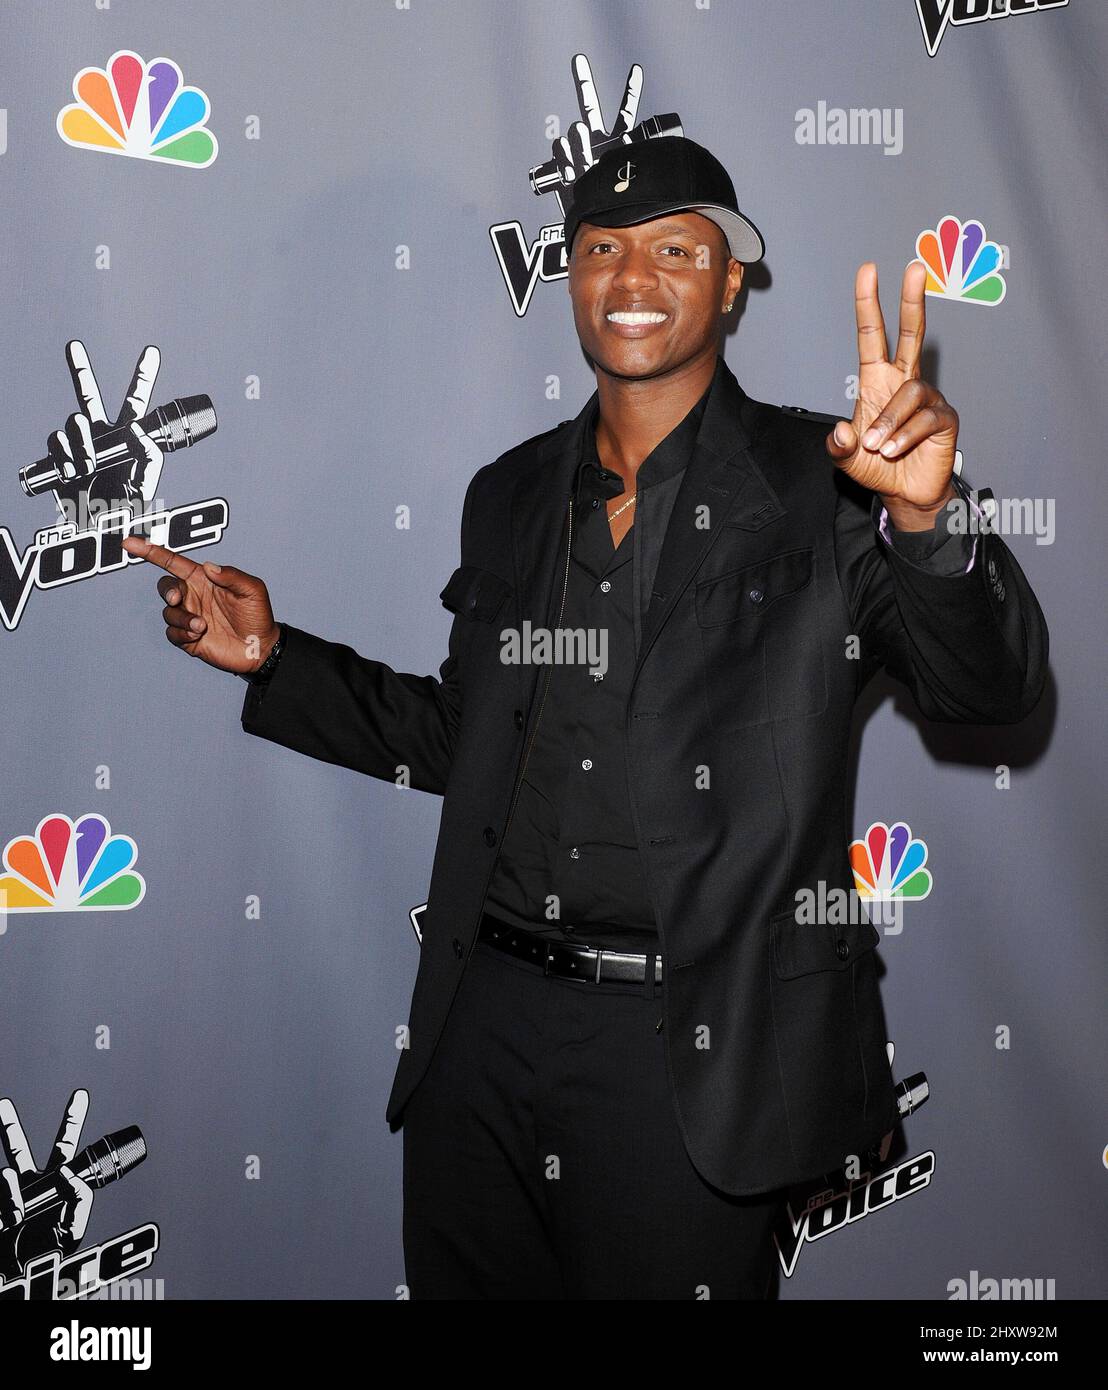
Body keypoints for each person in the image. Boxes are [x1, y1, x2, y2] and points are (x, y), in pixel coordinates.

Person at [122, 135, 1048, 1299]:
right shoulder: (509, 494)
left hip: (692, 1049)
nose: (631, 278)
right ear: (568, 278)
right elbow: (468, 741)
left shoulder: (830, 483)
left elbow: (990, 688)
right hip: (482, 1029)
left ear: (729, 281)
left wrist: (926, 524)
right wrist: (275, 658)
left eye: (674, 248)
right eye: (600, 249)